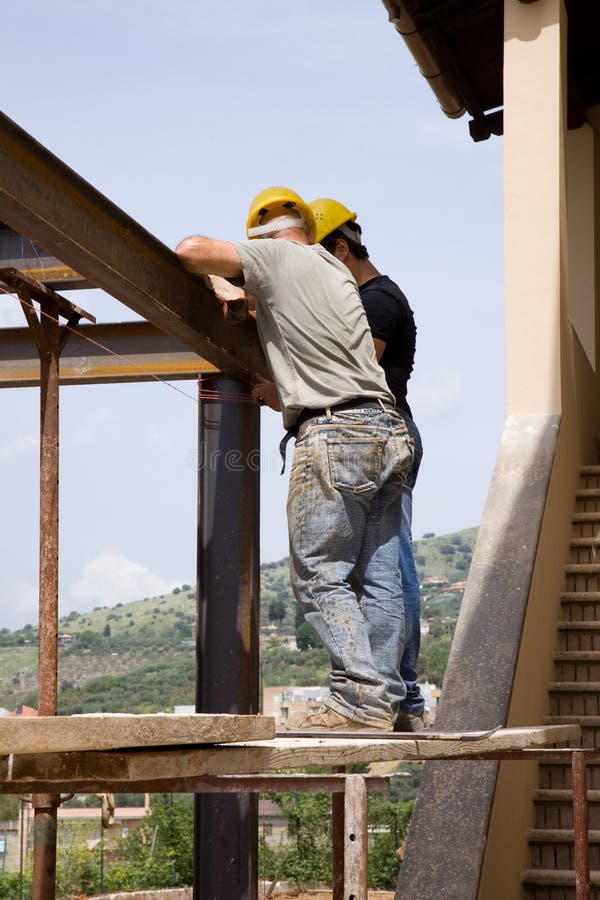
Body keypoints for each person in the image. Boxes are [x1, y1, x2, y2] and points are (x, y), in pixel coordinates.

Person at [176, 186, 414, 732]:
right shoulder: (334, 272)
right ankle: (385, 701)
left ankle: (358, 699)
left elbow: (189, 249)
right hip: (385, 427)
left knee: (320, 576)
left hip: (333, 435)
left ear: (261, 233)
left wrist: (221, 273)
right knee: (378, 579)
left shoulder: (277, 255)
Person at [310, 198, 425, 732]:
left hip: (382, 437)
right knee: (380, 569)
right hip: (386, 438)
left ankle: (401, 697)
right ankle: (399, 697)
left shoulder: (376, 301)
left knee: (389, 569)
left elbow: (356, 365)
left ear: (340, 248)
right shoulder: (371, 297)